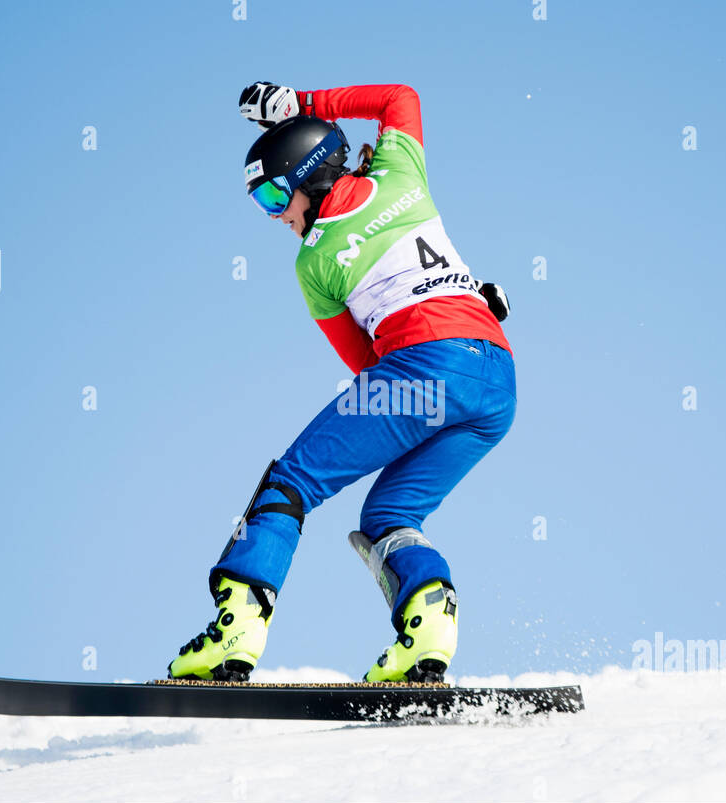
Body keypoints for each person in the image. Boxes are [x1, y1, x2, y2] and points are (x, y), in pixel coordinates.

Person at [167, 82, 515, 684]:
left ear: (310, 174)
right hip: (496, 381)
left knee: (293, 481)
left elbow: (367, 366)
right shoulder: (400, 173)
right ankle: (426, 636)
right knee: (390, 514)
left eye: (276, 194)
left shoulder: (313, 262)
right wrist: (302, 101)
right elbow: (399, 98)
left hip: (421, 370)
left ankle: (235, 632)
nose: (278, 216)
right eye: (263, 205)